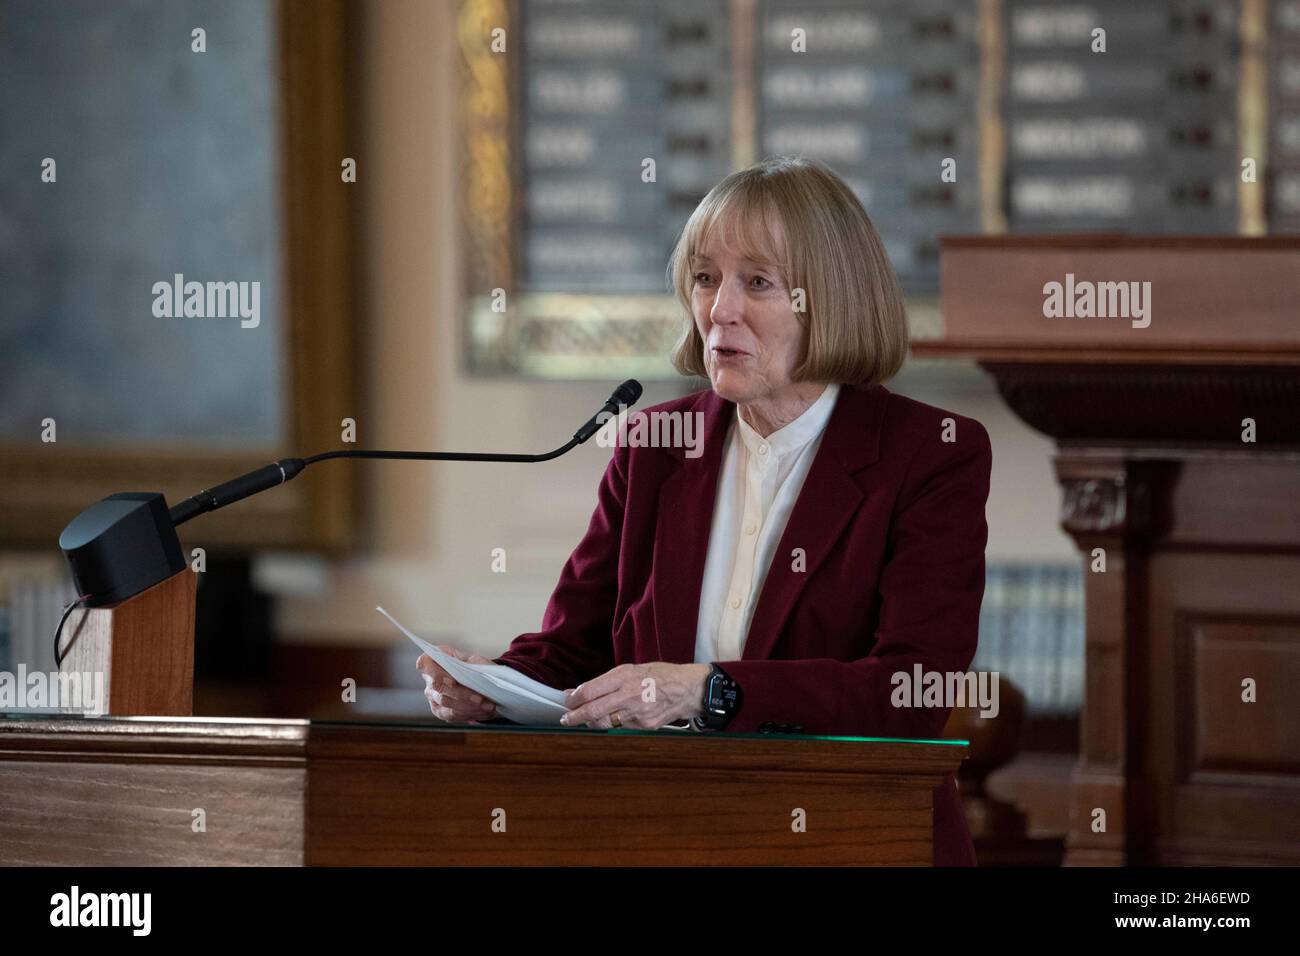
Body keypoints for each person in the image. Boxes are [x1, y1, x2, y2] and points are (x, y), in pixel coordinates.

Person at [417, 155, 992, 865]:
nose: (720, 309)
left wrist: (712, 690)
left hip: (856, 841)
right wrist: (491, 687)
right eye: (704, 278)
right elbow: (575, 648)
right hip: (663, 835)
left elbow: (909, 693)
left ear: (832, 297)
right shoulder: (655, 446)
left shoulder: (931, 454)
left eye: (757, 282)